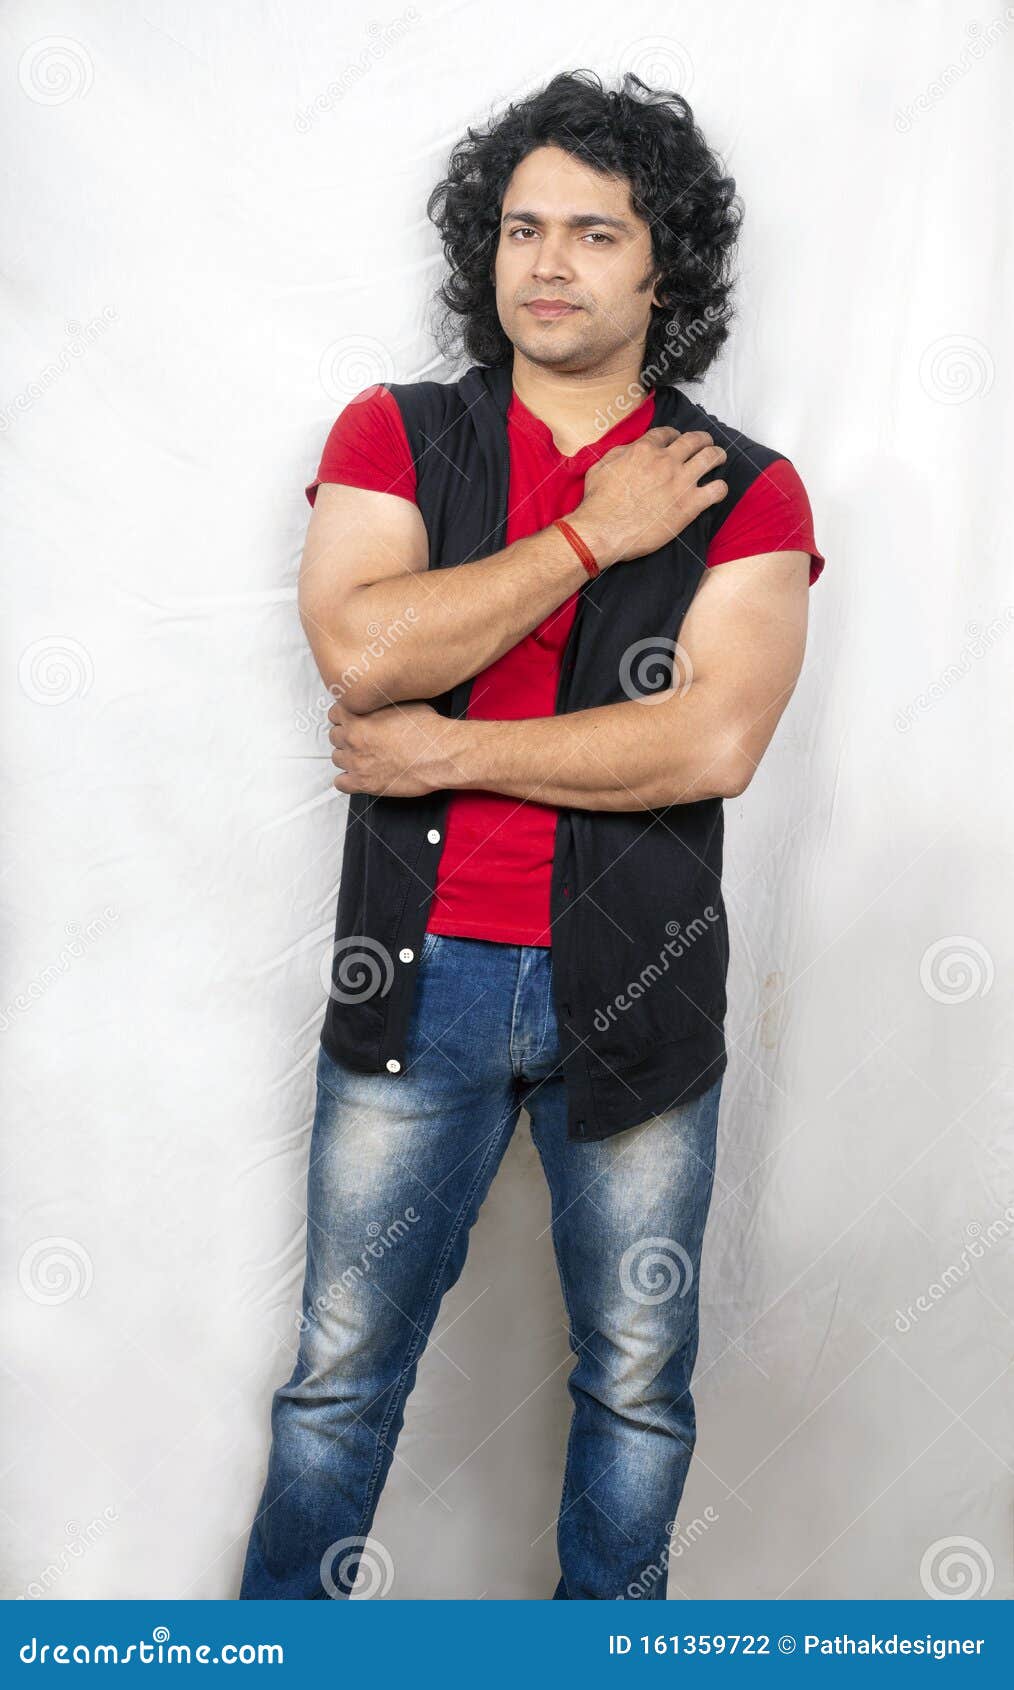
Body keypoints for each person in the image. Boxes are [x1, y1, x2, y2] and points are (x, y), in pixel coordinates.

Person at [240, 68, 825, 1600]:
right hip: (410, 990)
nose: (546, 263)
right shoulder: (396, 430)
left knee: (634, 1390)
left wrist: (449, 748)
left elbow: (709, 738)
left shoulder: (746, 489)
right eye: (519, 228)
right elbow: (364, 653)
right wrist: (586, 535)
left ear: (661, 267)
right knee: (336, 1385)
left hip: (632, 995)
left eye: (593, 232)